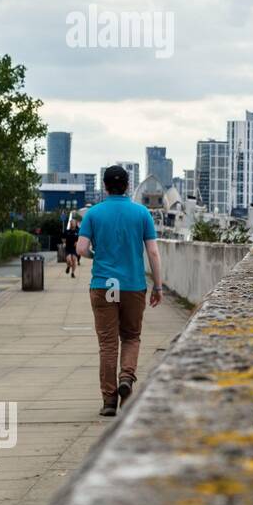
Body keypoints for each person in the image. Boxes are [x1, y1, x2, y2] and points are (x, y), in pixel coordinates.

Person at [76, 166, 164, 417]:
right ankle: (126, 377)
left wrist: (97, 254)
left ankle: (108, 401)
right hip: (132, 286)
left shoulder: (94, 213)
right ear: (127, 186)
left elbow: (81, 249)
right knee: (131, 337)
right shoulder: (142, 213)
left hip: (103, 285)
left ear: (105, 186)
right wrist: (158, 286)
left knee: (107, 344)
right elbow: (154, 253)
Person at [63, 214, 81, 278]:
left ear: (76, 224)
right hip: (68, 247)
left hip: (74, 248)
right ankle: (68, 266)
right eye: (71, 223)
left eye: (73, 223)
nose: (72, 224)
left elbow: (81, 239)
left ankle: (73, 273)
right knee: (69, 260)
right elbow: (63, 238)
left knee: (74, 260)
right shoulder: (67, 231)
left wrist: (77, 242)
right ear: (70, 224)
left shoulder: (78, 231)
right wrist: (64, 243)